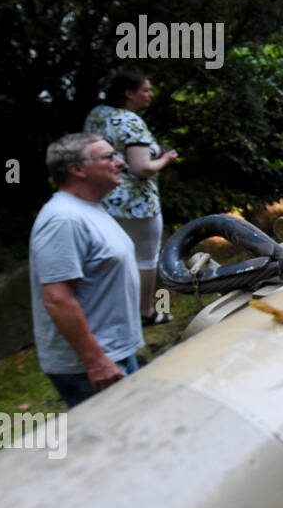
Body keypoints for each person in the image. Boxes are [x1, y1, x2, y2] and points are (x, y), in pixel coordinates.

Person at [30, 133, 144, 409]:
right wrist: (96, 361)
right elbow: (57, 298)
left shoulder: (90, 209)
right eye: (108, 157)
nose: (120, 162)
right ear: (77, 169)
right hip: (90, 365)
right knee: (115, 444)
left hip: (114, 353)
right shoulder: (63, 219)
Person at [84, 70, 179, 326]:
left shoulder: (97, 115)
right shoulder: (131, 122)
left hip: (101, 197)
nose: (150, 95)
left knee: (111, 256)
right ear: (129, 93)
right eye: (145, 90)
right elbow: (141, 168)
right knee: (145, 259)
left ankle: (109, 313)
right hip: (135, 204)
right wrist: (165, 160)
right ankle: (144, 313)